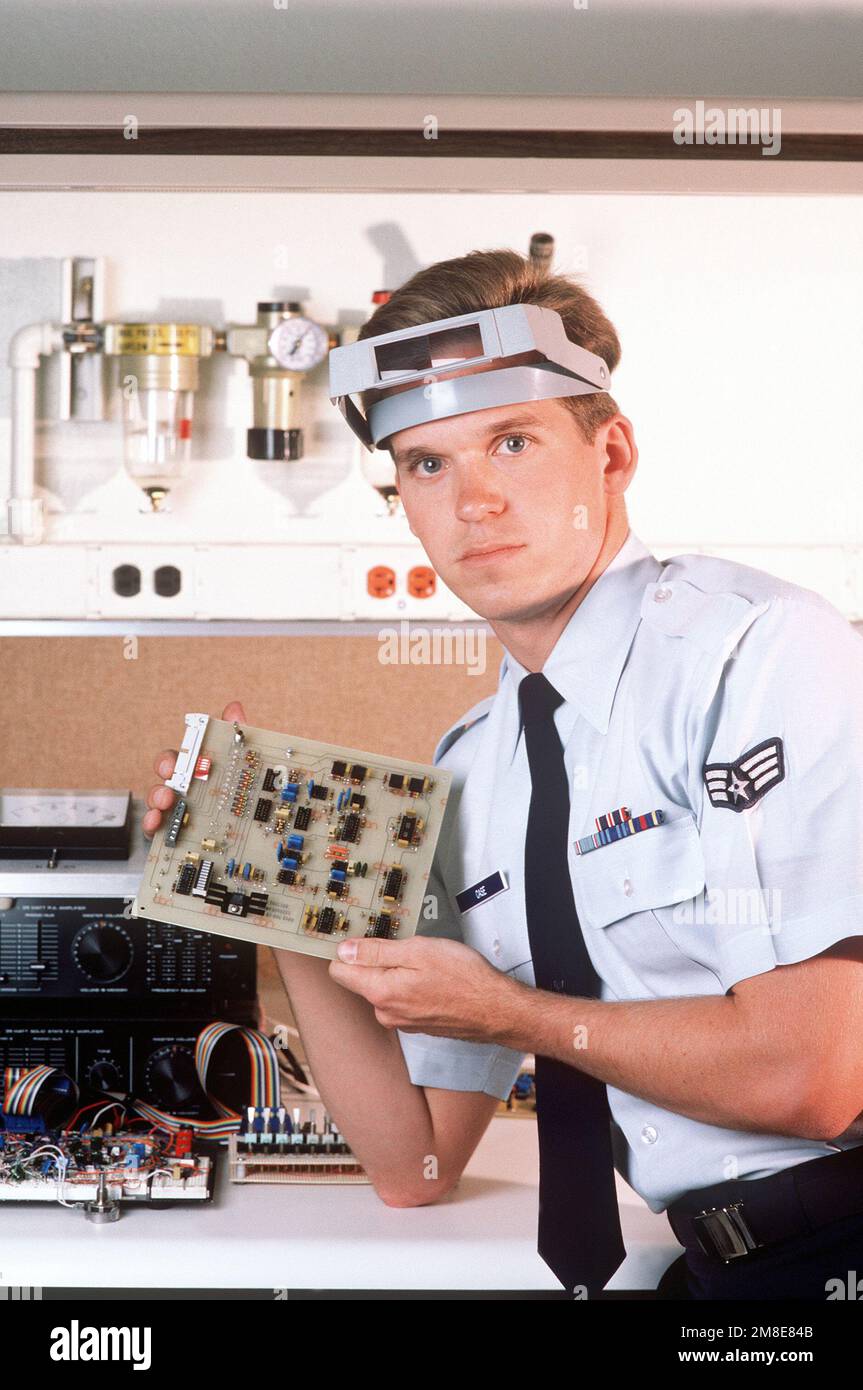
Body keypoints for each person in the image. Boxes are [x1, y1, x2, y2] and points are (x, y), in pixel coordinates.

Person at [145, 248, 863, 1300]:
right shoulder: (470, 764)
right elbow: (414, 1162)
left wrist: (515, 1016)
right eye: (426, 465)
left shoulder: (757, 652)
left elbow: (811, 1076)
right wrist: (265, 885)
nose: (472, 499)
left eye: (511, 442)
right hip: (721, 1273)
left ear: (609, 452)